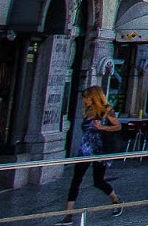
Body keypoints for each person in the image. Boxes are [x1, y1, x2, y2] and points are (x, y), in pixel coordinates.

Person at [58, 86, 123, 224]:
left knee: (98, 181)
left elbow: (118, 126)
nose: (85, 101)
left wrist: (102, 127)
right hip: (85, 150)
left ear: (94, 97)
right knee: (76, 180)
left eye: (87, 98)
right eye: (84, 98)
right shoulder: (87, 111)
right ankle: (68, 214)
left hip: (100, 150)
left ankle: (116, 200)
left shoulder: (107, 110)